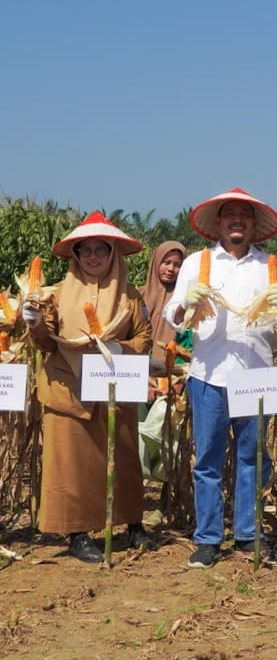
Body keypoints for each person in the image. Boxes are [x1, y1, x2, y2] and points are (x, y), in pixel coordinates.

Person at [164, 188, 277, 568]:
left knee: (253, 459)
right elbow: (172, 317)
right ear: (219, 223)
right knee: (207, 460)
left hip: (257, 376)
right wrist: (187, 302)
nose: (237, 220)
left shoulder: (270, 266)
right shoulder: (197, 263)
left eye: (245, 215)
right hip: (209, 374)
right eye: (230, 214)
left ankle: (249, 535)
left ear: (254, 225)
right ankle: (208, 538)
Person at [22, 212, 155, 562]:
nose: (93, 256)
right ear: (76, 255)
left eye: (101, 250)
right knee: (71, 465)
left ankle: (133, 524)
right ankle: (77, 533)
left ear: (113, 254)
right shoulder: (55, 295)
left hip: (114, 386)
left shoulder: (130, 296)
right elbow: (46, 344)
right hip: (67, 390)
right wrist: (34, 324)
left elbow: (145, 337)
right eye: (86, 250)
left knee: (124, 458)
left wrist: (118, 348)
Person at [137, 240, 188, 481]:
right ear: (155, 263)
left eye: (177, 265)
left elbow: (189, 346)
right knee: (137, 439)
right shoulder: (136, 297)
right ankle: (134, 495)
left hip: (173, 378)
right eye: (166, 262)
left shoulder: (186, 304)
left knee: (169, 441)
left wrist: (179, 382)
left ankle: (167, 497)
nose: (171, 269)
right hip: (138, 376)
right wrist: (141, 382)